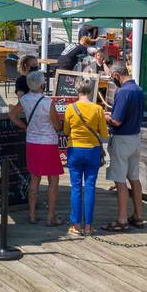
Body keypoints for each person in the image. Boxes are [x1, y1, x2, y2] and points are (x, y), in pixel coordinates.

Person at [9, 71, 62, 225]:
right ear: (42, 85)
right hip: (48, 143)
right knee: (53, 179)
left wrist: (25, 127)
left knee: (34, 178)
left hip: (32, 142)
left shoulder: (24, 99)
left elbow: (12, 115)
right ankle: (50, 216)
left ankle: (32, 215)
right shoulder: (48, 102)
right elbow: (57, 125)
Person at [62, 79, 108, 237]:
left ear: (77, 91)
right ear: (90, 91)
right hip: (92, 151)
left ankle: (76, 225)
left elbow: (66, 131)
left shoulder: (70, 108)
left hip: (74, 149)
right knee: (90, 187)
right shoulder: (97, 109)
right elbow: (104, 134)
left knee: (75, 187)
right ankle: (88, 226)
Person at [103, 64, 146, 231]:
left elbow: (117, 121)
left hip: (122, 139)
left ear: (116, 75)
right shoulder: (138, 89)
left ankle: (122, 220)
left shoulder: (123, 92)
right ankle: (138, 216)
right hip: (136, 137)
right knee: (134, 178)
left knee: (120, 180)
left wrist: (105, 116)